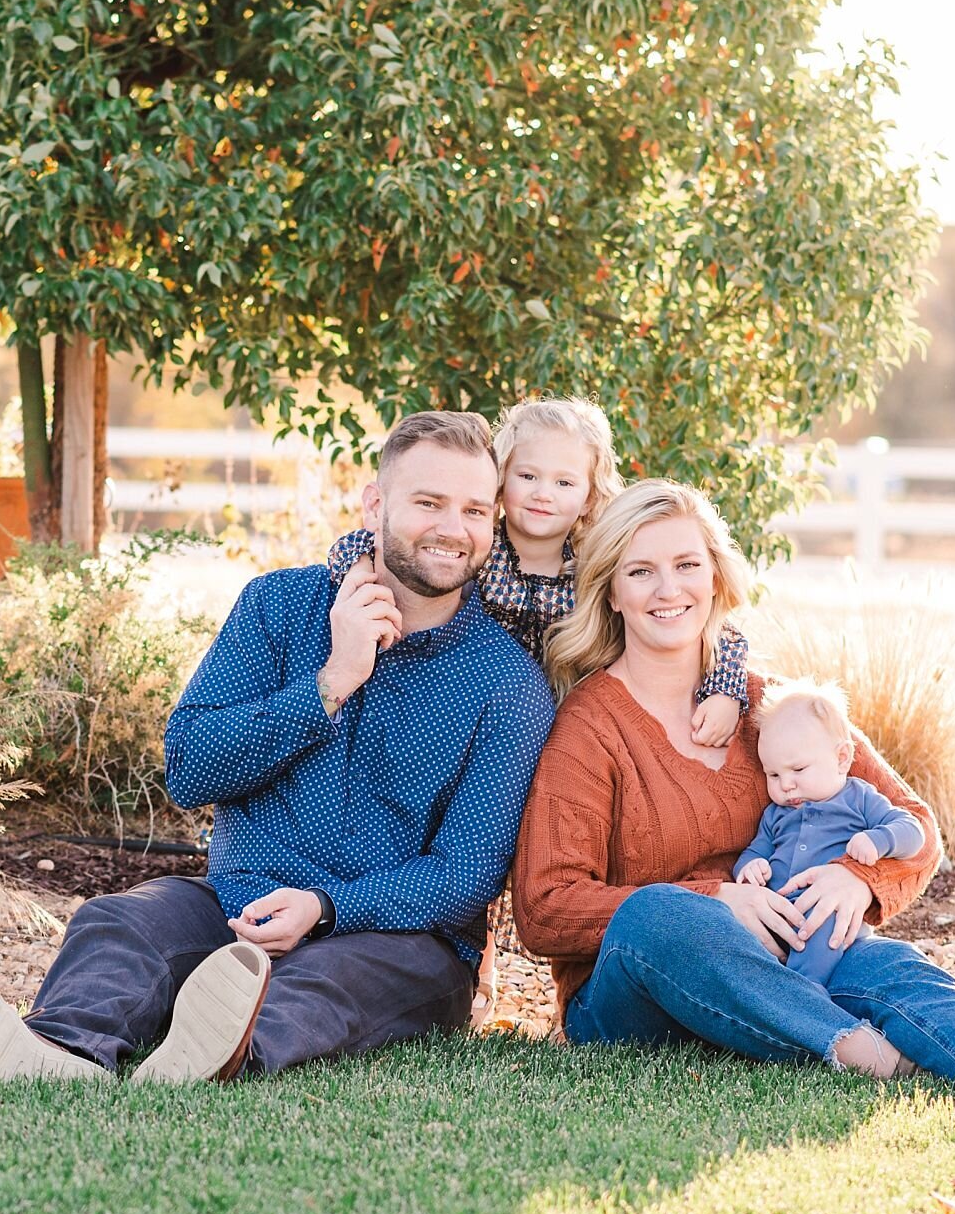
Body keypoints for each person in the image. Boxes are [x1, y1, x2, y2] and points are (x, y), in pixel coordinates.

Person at [0, 410, 557, 1083]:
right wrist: (330, 684)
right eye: (429, 502)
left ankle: (218, 1057)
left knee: (323, 981)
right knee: (122, 923)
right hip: (237, 903)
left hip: (398, 941)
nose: (454, 528)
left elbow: (464, 874)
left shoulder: (507, 684)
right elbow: (189, 766)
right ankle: (60, 1050)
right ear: (375, 503)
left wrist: (327, 907)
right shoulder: (278, 607)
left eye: (475, 509)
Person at [510, 479, 955, 1098]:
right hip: (634, 1001)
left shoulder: (774, 706)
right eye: (641, 571)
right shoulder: (591, 726)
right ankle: (859, 1051)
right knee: (659, 915)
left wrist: (859, 877)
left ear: (715, 577)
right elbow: (544, 906)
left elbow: (914, 822)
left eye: (687, 565)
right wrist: (715, 899)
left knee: (876, 959)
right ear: (611, 591)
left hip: (787, 956)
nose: (669, 590)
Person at [322, 397, 753, 1019]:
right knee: (469, 839)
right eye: (526, 476)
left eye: (564, 481)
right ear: (500, 478)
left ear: (590, 491)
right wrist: (355, 576)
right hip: (476, 717)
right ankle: (478, 958)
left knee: (550, 847)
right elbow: (360, 551)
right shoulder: (473, 550)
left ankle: (567, 983)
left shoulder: (592, 567)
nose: (542, 494)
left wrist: (726, 689)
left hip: (566, 730)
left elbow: (721, 630)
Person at [733, 679, 928, 987]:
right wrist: (750, 867)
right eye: (773, 774)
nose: (785, 785)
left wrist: (878, 841)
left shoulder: (859, 798)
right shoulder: (776, 814)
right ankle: (766, 991)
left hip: (831, 913)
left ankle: (803, 995)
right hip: (778, 915)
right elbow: (756, 850)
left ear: (841, 759)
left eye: (797, 770)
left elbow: (913, 832)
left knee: (823, 927)